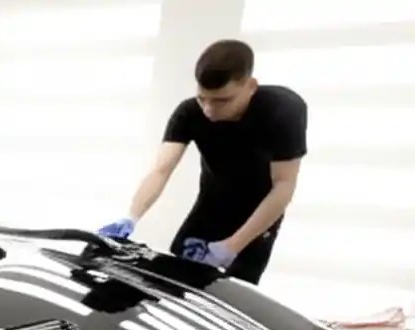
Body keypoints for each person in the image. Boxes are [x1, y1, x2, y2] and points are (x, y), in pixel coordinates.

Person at [99, 39, 308, 285]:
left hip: (258, 215)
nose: (209, 109)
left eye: (222, 101)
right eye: (202, 98)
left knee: (229, 295)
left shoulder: (283, 110)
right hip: (211, 205)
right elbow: (161, 170)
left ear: (250, 86)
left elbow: (283, 186)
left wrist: (232, 246)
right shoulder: (189, 112)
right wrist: (131, 217)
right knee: (168, 282)